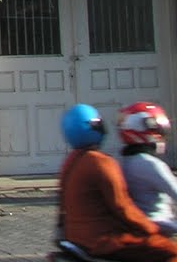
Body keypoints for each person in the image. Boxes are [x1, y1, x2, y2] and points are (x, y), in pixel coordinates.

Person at [58, 103, 177, 262]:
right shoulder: (102, 163)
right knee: (171, 252)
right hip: (103, 240)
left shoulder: (71, 162)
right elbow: (122, 207)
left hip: (74, 237)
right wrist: (150, 228)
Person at [120, 102, 177, 235]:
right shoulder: (151, 164)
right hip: (160, 227)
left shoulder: (127, 162)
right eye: (157, 131)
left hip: (139, 227)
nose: (161, 137)